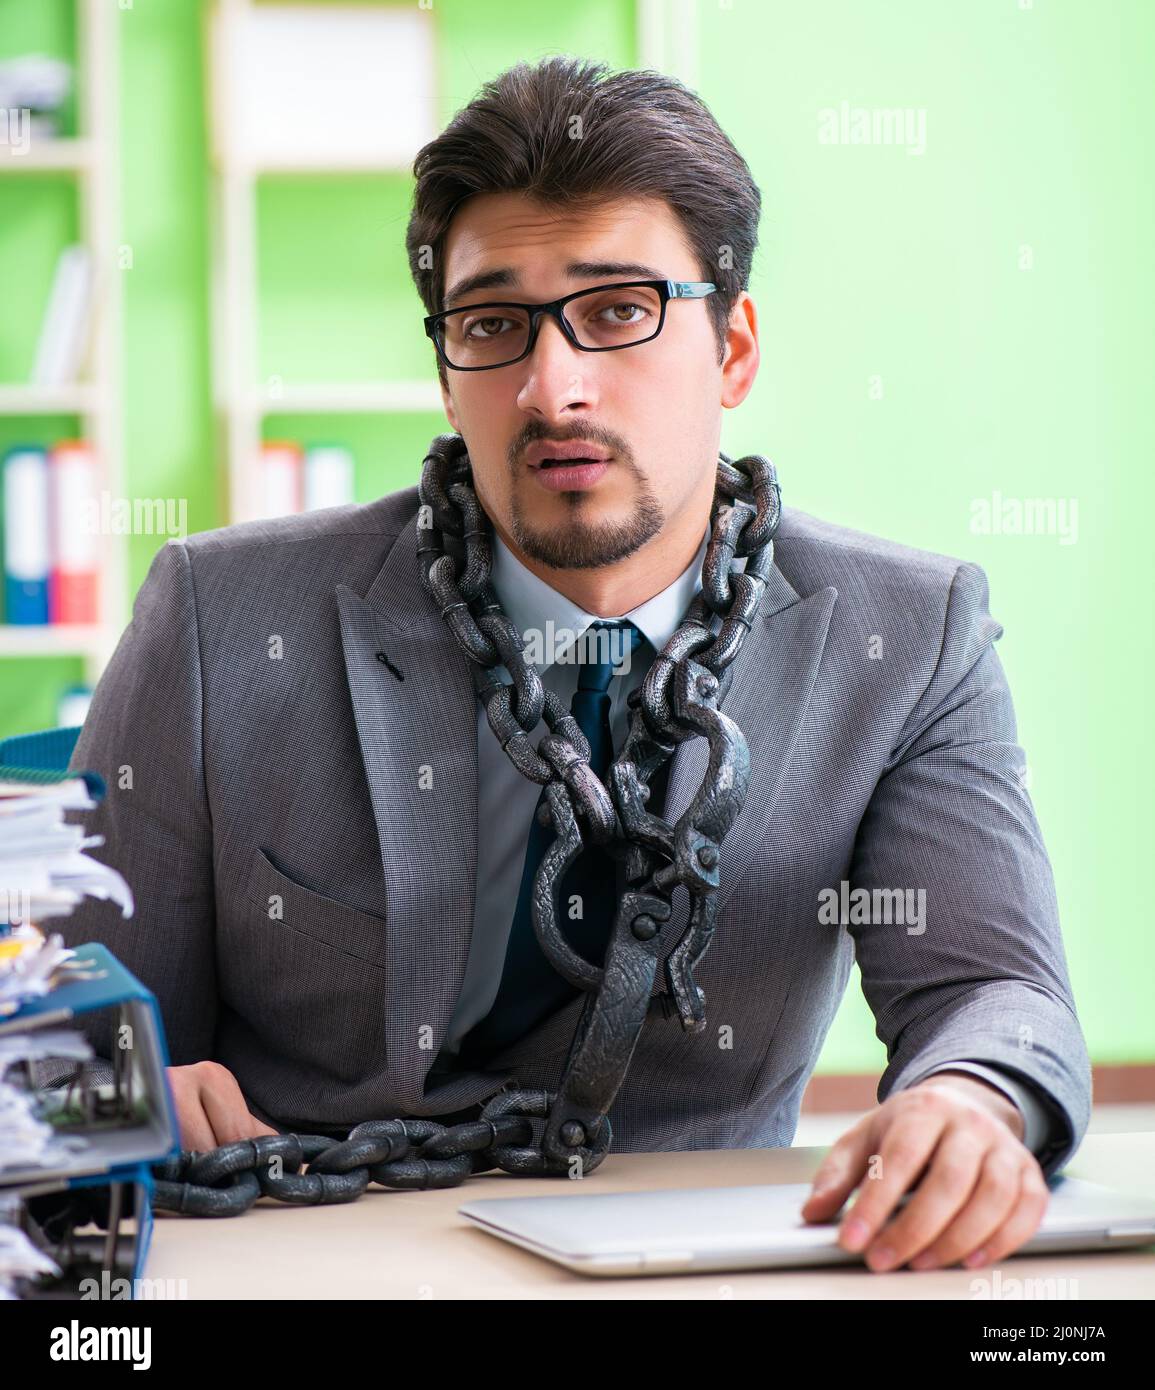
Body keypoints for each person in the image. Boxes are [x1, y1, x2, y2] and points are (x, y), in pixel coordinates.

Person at [51, 56, 1089, 1275]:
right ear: (448, 368)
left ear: (734, 349)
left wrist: (970, 1103)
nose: (555, 388)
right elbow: (64, 1018)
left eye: (618, 310)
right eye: (494, 324)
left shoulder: (909, 639)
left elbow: (997, 989)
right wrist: (117, 1096)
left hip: (696, 1272)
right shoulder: (221, 617)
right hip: (303, 1261)